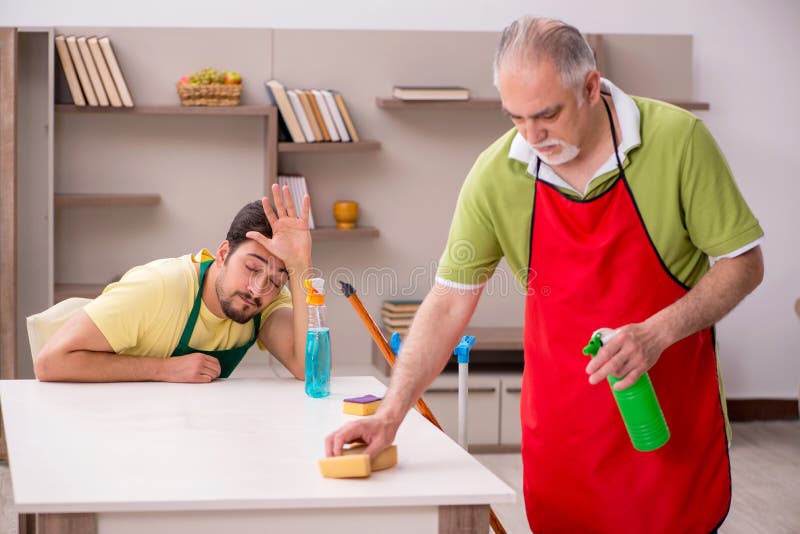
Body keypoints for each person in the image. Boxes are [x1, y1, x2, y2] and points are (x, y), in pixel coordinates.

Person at [326, 16, 764, 533]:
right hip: (563, 444)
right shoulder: (496, 174)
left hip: (669, 434)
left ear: (591, 87)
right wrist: (391, 413)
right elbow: (447, 303)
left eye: (547, 115)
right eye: (515, 118)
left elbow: (743, 263)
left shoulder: (677, 140)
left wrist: (655, 334)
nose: (532, 136)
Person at [35, 184, 312, 383]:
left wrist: (300, 267)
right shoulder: (158, 287)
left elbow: (308, 370)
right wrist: (163, 369)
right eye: (251, 268)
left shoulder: (269, 298)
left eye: (276, 280)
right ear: (224, 253)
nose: (258, 289)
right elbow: (50, 362)